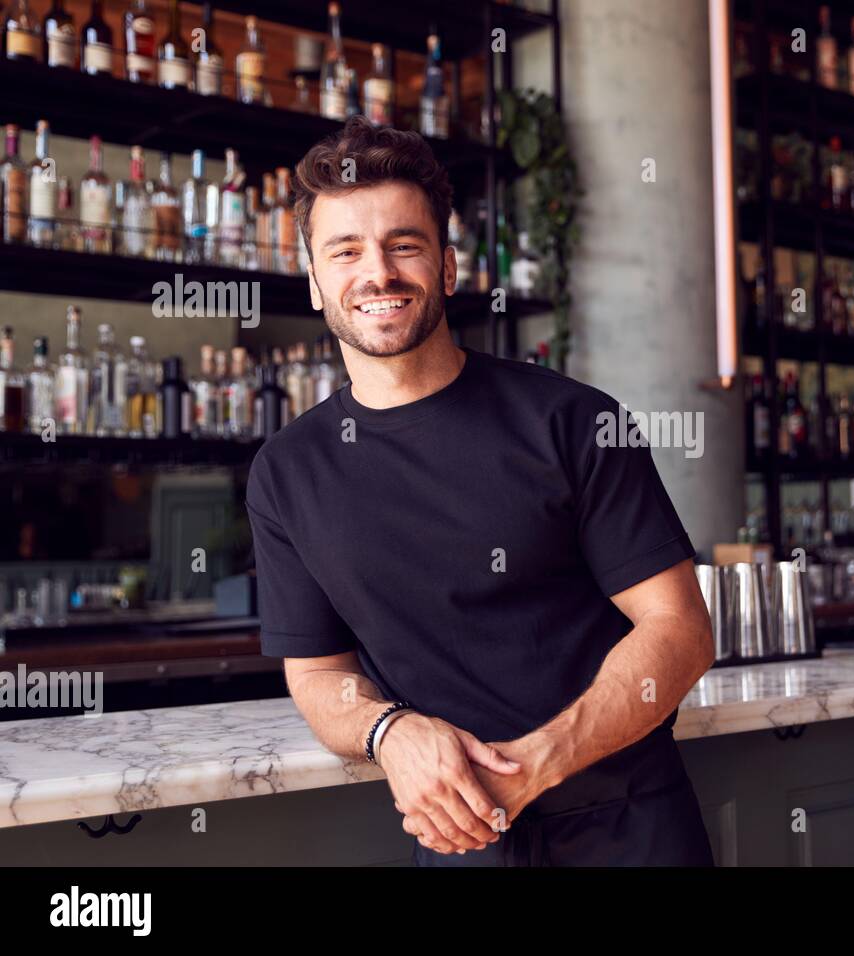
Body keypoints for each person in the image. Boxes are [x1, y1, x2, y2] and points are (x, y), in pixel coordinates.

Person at [245, 117, 715, 866]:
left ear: (449, 266)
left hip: (628, 825)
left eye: (405, 244)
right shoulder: (287, 471)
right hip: (457, 841)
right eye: (346, 251)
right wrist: (388, 732)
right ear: (312, 281)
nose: (379, 273)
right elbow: (317, 674)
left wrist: (543, 761)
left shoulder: (573, 421)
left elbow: (681, 631)